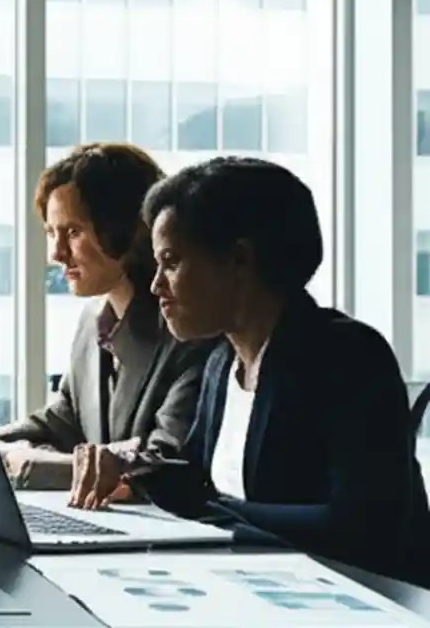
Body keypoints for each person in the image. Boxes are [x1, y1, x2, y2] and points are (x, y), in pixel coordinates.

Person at [74, 156, 429, 588]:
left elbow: (364, 527)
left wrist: (212, 509)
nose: (156, 286)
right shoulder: (221, 364)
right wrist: (133, 469)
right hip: (260, 593)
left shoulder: (348, 356)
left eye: (171, 262)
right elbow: (194, 476)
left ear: (240, 259)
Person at [0, 143, 215, 504]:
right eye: (52, 233)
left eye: (73, 232)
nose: (56, 254)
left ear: (126, 229)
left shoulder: (189, 331)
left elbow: (163, 463)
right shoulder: (92, 323)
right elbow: (63, 421)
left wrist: (30, 464)